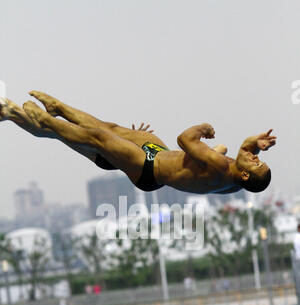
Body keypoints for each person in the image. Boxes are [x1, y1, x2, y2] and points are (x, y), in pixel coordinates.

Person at [7, 92, 275, 196]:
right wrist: (255, 144)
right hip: (158, 152)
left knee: (97, 137)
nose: (254, 157)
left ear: (244, 174)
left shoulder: (219, 165)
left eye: (255, 163)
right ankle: (55, 109)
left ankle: (48, 118)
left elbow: (184, 139)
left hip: (148, 169)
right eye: (258, 158)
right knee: (108, 129)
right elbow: (242, 152)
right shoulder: (234, 178)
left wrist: (201, 128)